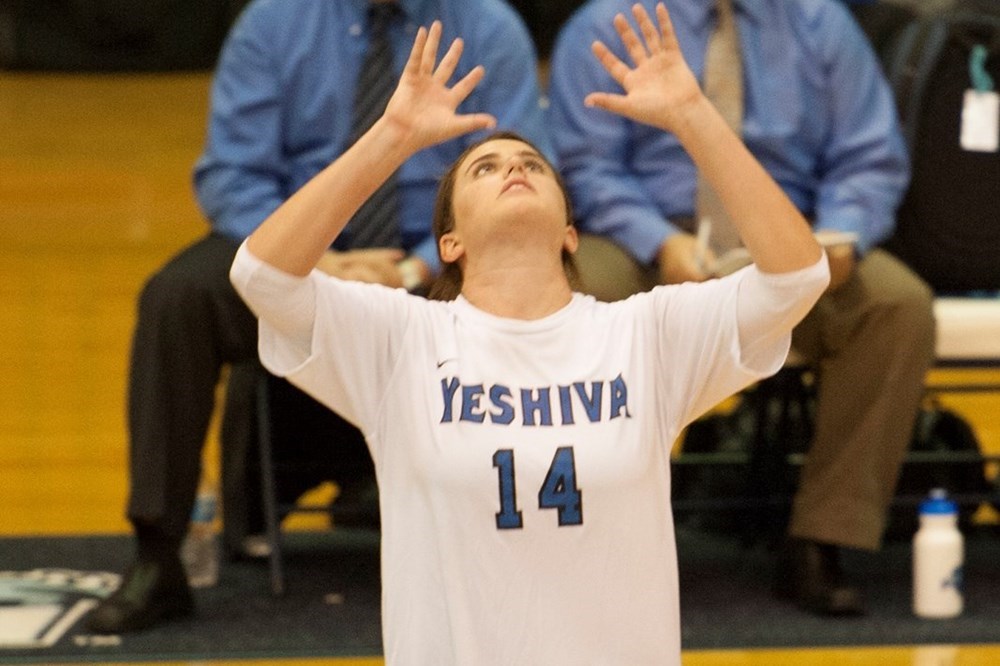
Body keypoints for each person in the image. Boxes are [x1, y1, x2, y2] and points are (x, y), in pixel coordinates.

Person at [230, 6, 829, 662]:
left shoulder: (646, 334)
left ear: (570, 231)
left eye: (533, 165)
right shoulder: (400, 340)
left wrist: (694, 117)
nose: (513, 168)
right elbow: (262, 277)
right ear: (448, 241)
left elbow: (796, 278)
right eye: (483, 169)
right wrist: (393, 137)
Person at [85, 0, 550, 634]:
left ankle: (520, 538)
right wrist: (314, 257)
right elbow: (232, 175)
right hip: (300, 249)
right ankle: (158, 552)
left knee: (520, 284)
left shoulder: (488, 26)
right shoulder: (273, 22)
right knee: (176, 297)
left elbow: (519, 173)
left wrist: (415, 266)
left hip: (438, 259)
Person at [548, 0, 936, 615]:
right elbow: (583, 166)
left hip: (787, 233)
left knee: (897, 305)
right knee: (573, 295)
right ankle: (576, 534)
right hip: (644, 236)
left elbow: (867, 157)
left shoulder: (819, 22)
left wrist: (842, 237)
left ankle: (822, 538)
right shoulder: (608, 23)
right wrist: (658, 238)